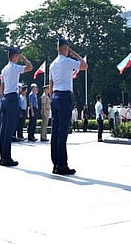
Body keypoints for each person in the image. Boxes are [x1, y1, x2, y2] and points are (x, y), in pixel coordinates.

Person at [49, 38, 87, 176]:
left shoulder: (53, 64)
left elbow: (51, 83)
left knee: (55, 132)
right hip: (64, 96)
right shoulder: (67, 61)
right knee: (63, 132)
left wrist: (52, 97)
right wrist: (75, 53)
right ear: (65, 48)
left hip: (55, 96)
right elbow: (84, 65)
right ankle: (62, 165)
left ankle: (55, 163)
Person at [0, 47, 33, 166]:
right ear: (15, 55)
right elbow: (30, 67)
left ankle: (3, 156)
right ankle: (6, 158)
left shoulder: (4, 69)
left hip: (5, 98)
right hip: (12, 97)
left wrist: (3, 98)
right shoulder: (14, 67)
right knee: (9, 129)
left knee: (4, 129)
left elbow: (2, 87)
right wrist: (24, 58)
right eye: (18, 55)